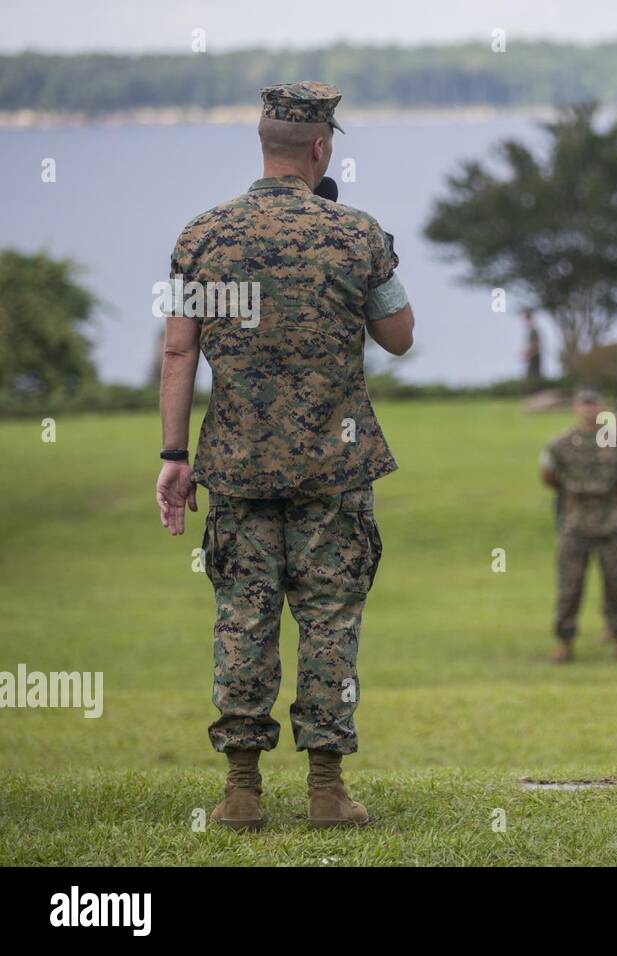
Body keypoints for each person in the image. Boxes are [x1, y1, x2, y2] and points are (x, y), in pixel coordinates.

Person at [155, 81, 414, 830]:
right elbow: (398, 336)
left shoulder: (203, 236)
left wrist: (174, 455)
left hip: (233, 465)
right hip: (334, 469)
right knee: (330, 619)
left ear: (264, 145)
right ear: (321, 148)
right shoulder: (357, 233)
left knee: (243, 616)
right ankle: (328, 792)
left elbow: (179, 349)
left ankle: (240, 791)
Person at [540, 388, 617, 662]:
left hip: (612, 523)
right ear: (575, 408)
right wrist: (574, 492)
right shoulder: (560, 442)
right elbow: (548, 475)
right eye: (584, 405)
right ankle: (565, 641)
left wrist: (609, 492)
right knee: (570, 586)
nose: (589, 410)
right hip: (576, 523)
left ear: (603, 407)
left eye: (594, 404)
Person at [522, 309, 542, 383]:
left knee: (534, 376)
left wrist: (527, 354)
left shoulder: (533, 331)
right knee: (533, 375)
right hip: (533, 355)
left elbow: (535, 345)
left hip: (534, 355)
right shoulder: (532, 330)